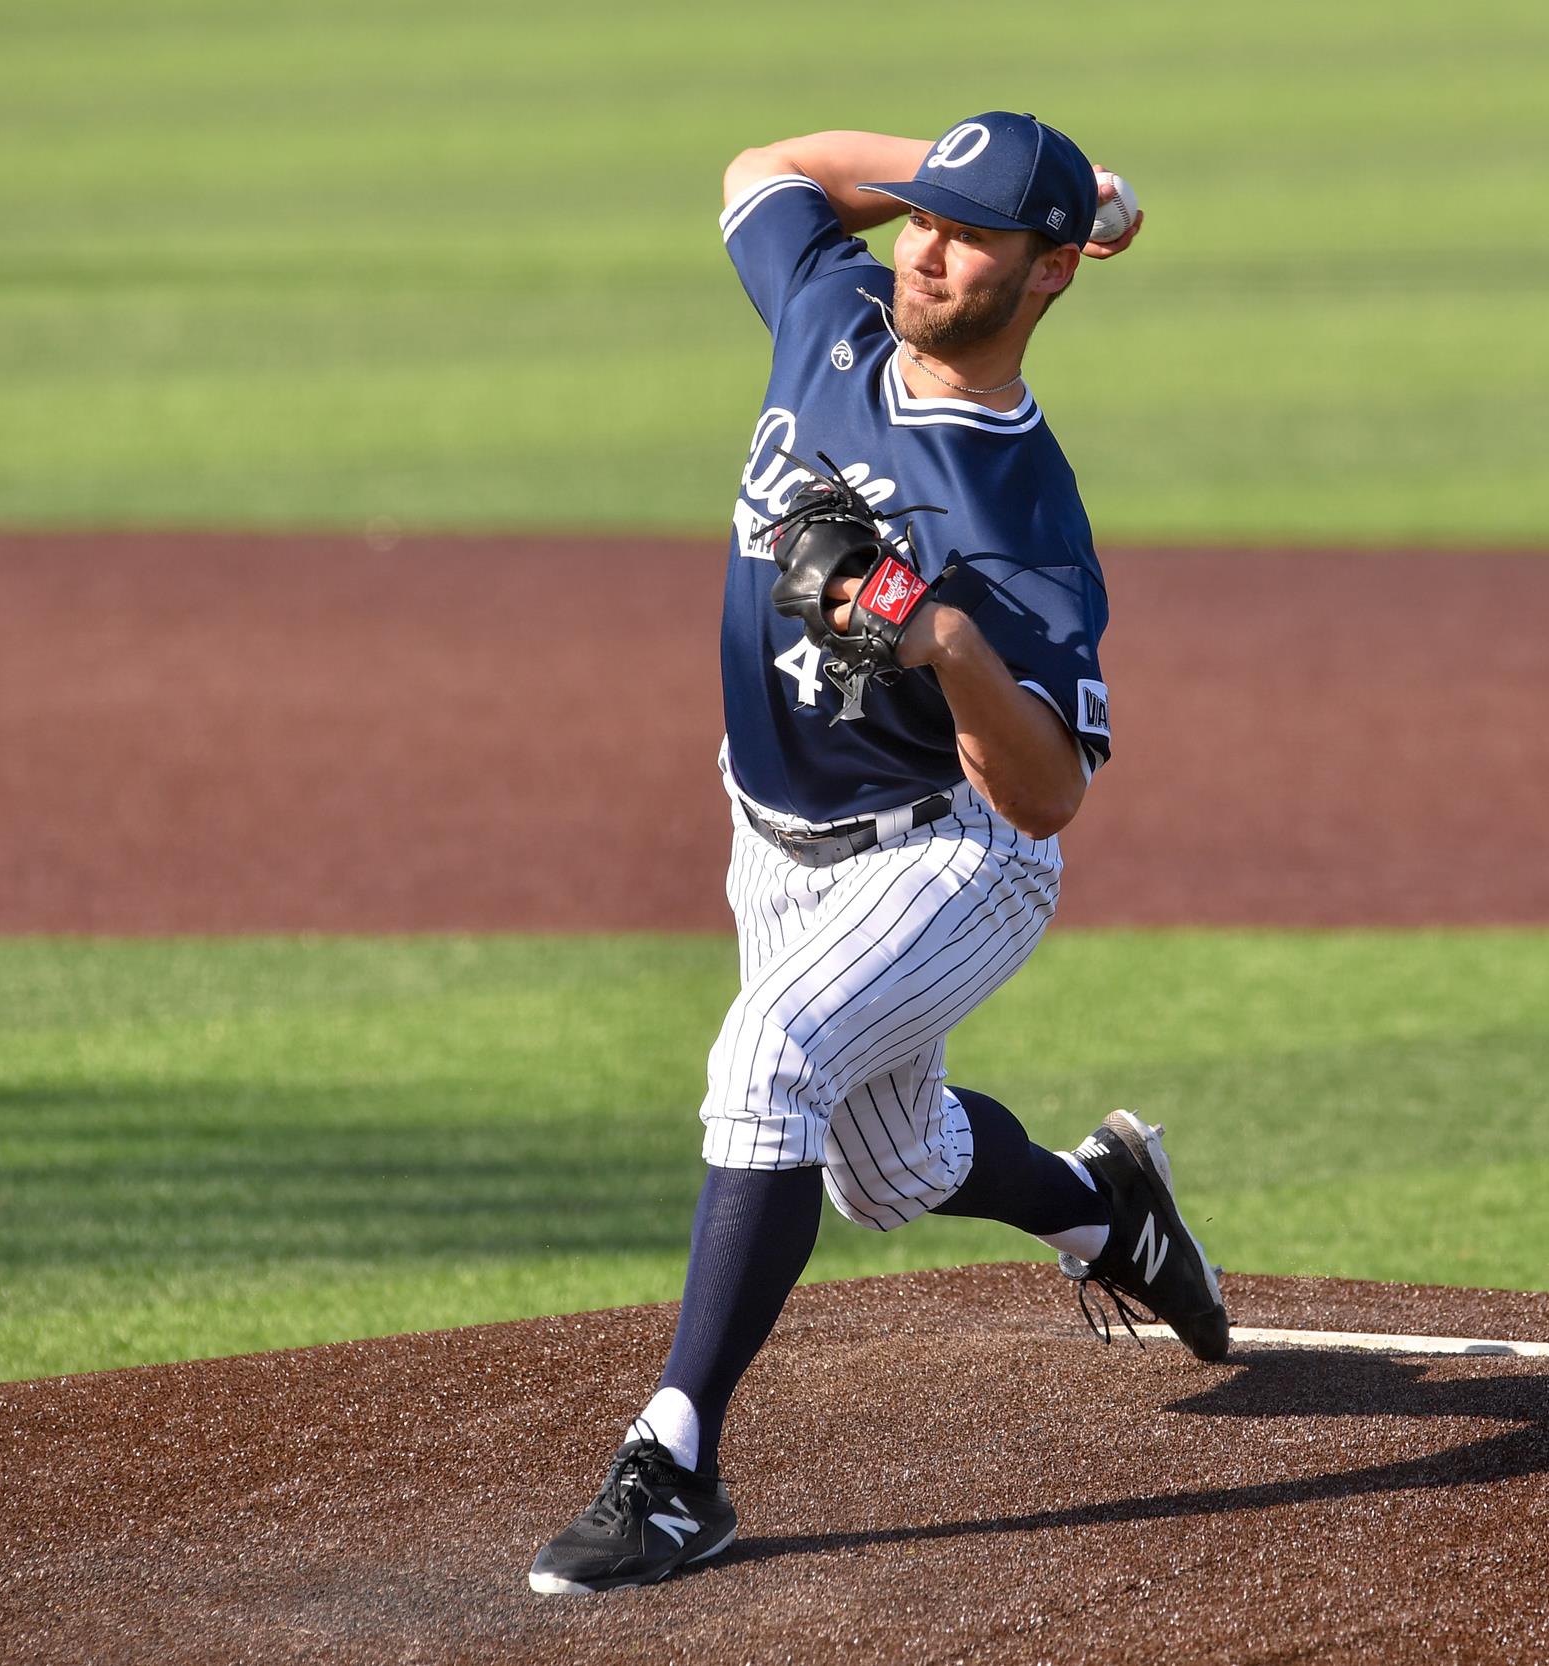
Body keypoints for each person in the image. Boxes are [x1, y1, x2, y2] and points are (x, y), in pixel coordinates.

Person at [527, 113, 1230, 1597]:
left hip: (951, 855)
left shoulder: (1022, 514)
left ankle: (674, 1465)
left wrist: (937, 634)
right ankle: (1112, 1207)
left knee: (769, 1055)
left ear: (1049, 277)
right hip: (770, 831)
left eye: (972, 233)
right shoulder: (832, 311)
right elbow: (760, 177)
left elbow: (1042, 795)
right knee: (892, 1170)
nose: (924, 246)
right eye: (921, 214)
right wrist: (980, 171)